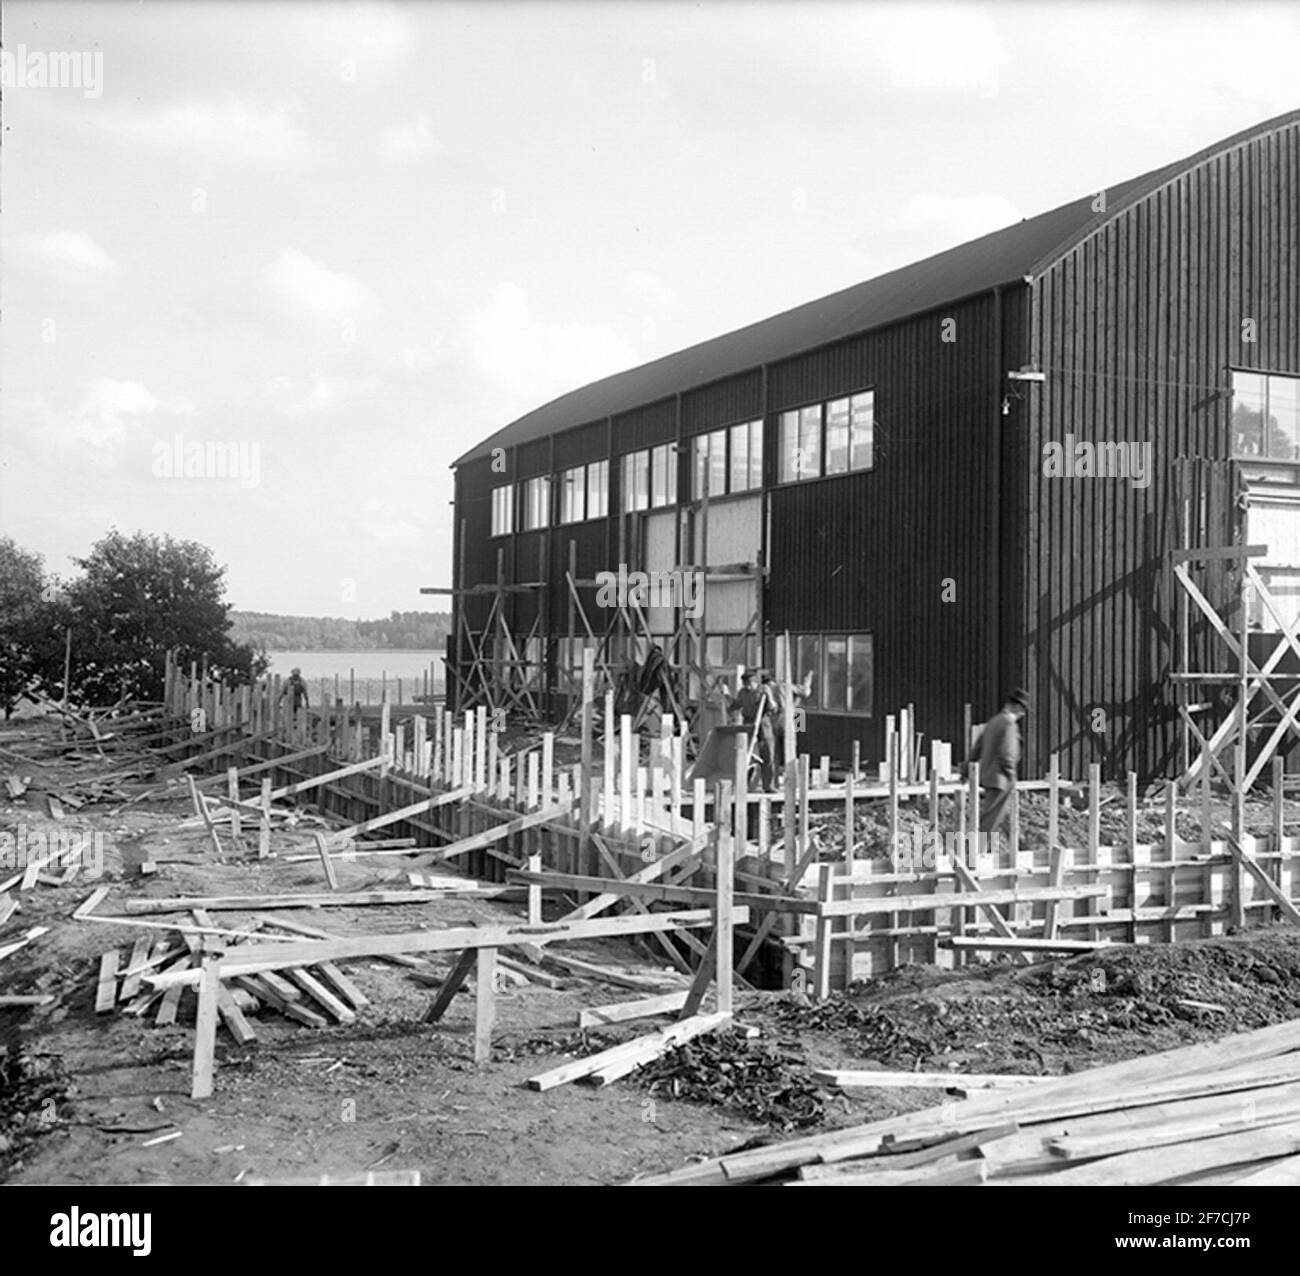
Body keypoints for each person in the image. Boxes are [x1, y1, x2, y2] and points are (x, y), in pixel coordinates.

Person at [969, 689, 1029, 835]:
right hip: (1001, 779)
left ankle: (975, 850)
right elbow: (1007, 753)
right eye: (1023, 709)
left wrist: (966, 768)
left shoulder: (994, 721)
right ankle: (975, 851)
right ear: (1016, 707)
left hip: (988, 775)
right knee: (991, 821)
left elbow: (977, 746)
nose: (1023, 714)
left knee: (987, 817)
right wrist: (1011, 776)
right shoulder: (1009, 724)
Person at [727, 669, 777, 791]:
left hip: (762, 722)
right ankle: (744, 784)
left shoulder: (763, 690)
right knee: (745, 754)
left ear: (755, 682)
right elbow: (735, 706)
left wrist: (769, 700)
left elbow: (773, 707)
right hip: (748, 723)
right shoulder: (742, 693)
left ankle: (768, 785)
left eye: (749, 683)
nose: (747, 686)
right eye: (745, 683)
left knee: (768, 753)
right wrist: (728, 705)